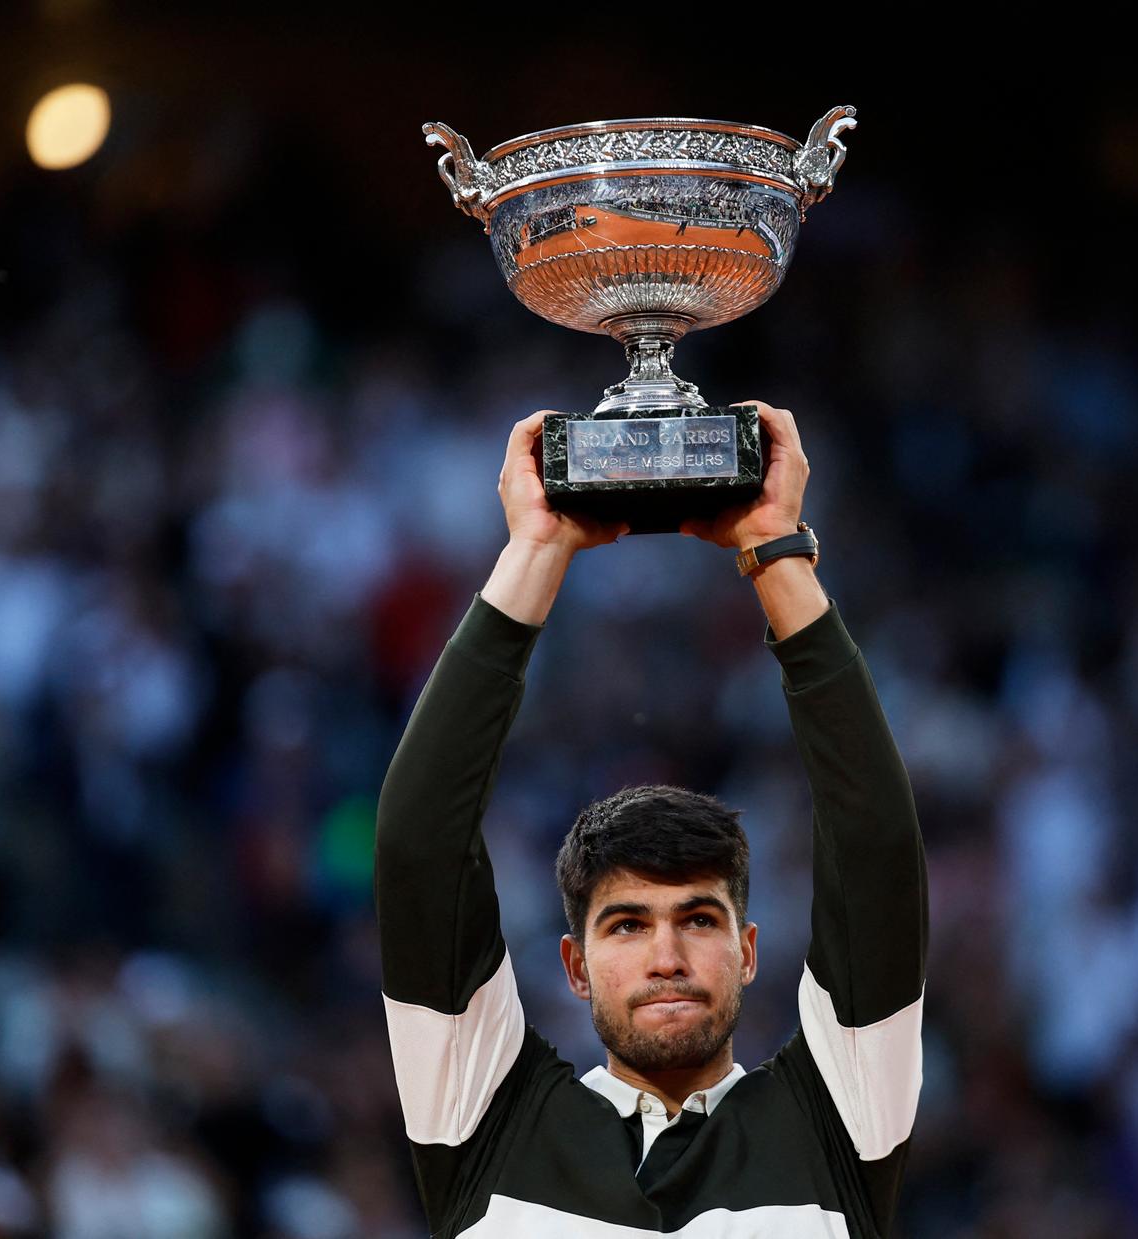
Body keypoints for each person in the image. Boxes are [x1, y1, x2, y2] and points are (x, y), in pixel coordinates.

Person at [375, 401, 927, 1237]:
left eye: (699, 918)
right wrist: (535, 550)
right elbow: (419, 842)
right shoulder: (482, 1116)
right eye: (627, 925)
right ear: (575, 964)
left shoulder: (840, 1114)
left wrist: (777, 551)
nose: (667, 956)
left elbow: (876, 846)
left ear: (747, 950)